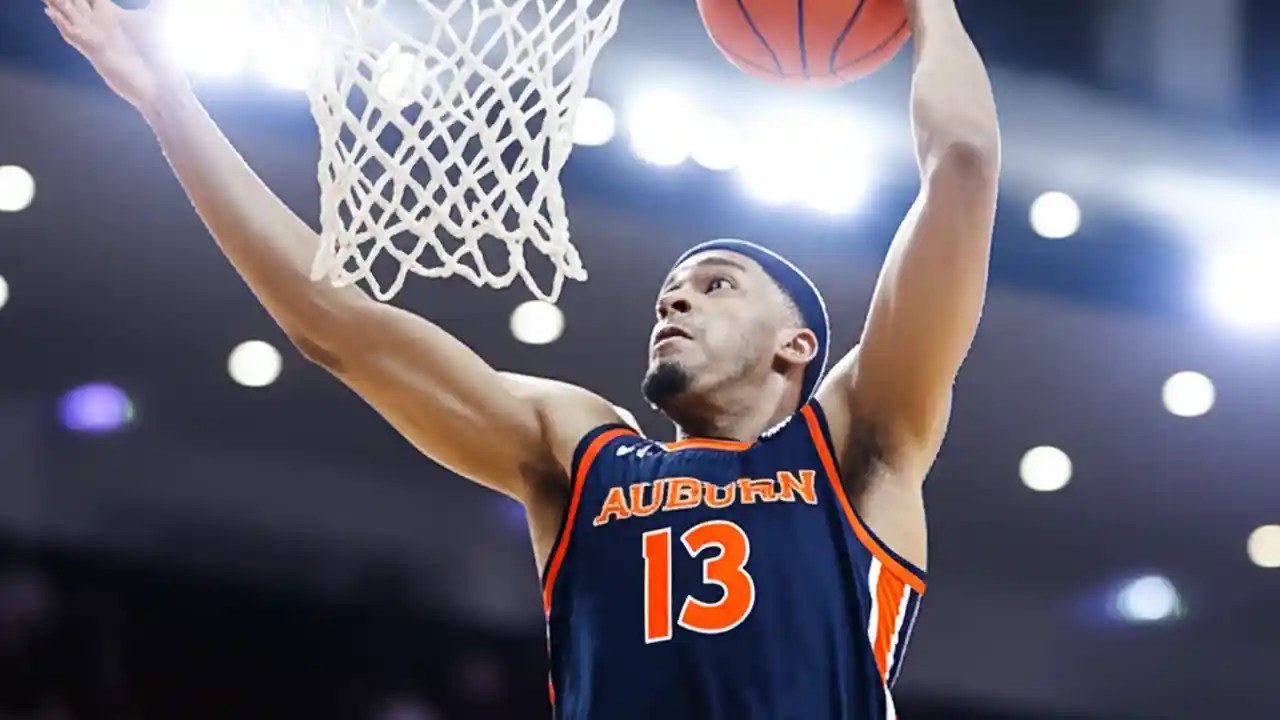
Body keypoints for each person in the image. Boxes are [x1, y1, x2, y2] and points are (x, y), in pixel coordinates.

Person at [43, 0, 999, 717]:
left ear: (799, 348)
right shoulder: (583, 454)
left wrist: (928, 10)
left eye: (716, 285)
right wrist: (167, 98)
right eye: (673, 287)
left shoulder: (855, 445)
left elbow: (962, 161)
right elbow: (337, 325)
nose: (673, 298)